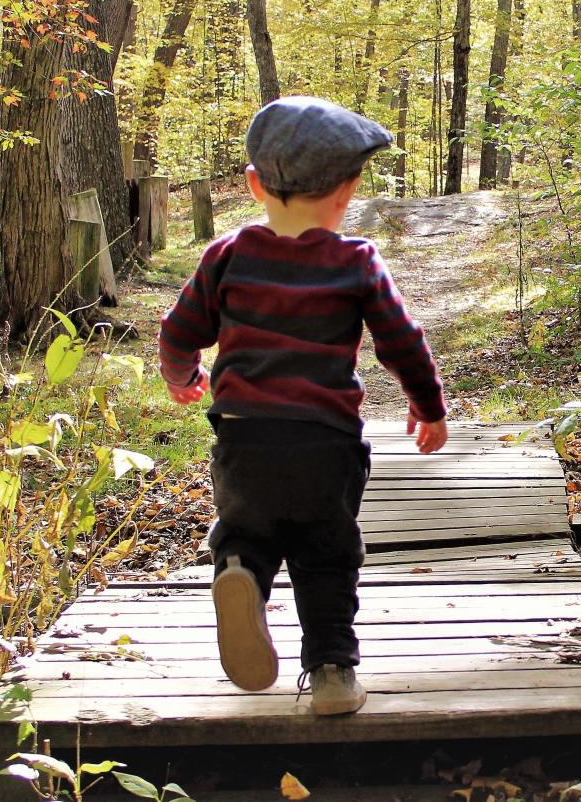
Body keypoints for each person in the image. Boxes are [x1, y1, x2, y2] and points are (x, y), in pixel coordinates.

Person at [158, 96, 448, 716]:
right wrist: (428, 407)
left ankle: (241, 572)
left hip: (244, 438)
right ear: (348, 192)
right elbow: (403, 341)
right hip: (327, 444)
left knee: (248, 529)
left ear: (255, 184)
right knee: (327, 554)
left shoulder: (228, 255)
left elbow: (178, 329)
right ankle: (333, 673)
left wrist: (183, 375)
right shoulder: (357, 263)